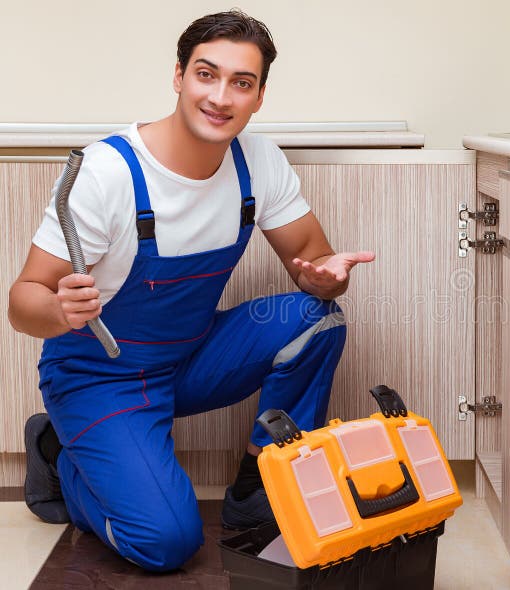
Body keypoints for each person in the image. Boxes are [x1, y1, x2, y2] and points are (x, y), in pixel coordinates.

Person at [7, 9, 374, 572]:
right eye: (207, 74)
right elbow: (22, 299)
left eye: (241, 83)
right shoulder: (109, 173)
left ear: (259, 96)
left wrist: (326, 273)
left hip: (191, 357)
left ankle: (260, 486)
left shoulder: (259, 163)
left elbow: (313, 259)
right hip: (100, 374)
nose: (221, 97)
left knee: (318, 316)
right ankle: (60, 457)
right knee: (165, 543)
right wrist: (58, 309)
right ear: (179, 76)